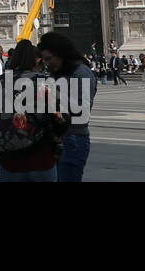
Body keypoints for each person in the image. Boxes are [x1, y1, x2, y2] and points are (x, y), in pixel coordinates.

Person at [0, 40, 64, 182]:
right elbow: (60, 119)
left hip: (10, 161)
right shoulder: (45, 82)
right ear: (35, 60)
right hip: (41, 158)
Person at [38, 31, 96, 182]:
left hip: (73, 139)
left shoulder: (82, 73)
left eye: (49, 59)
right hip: (52, 138)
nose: (46, 63)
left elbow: (82, 109)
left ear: (61, 54)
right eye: (44, 60)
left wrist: (53, 93)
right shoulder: (56, 73)